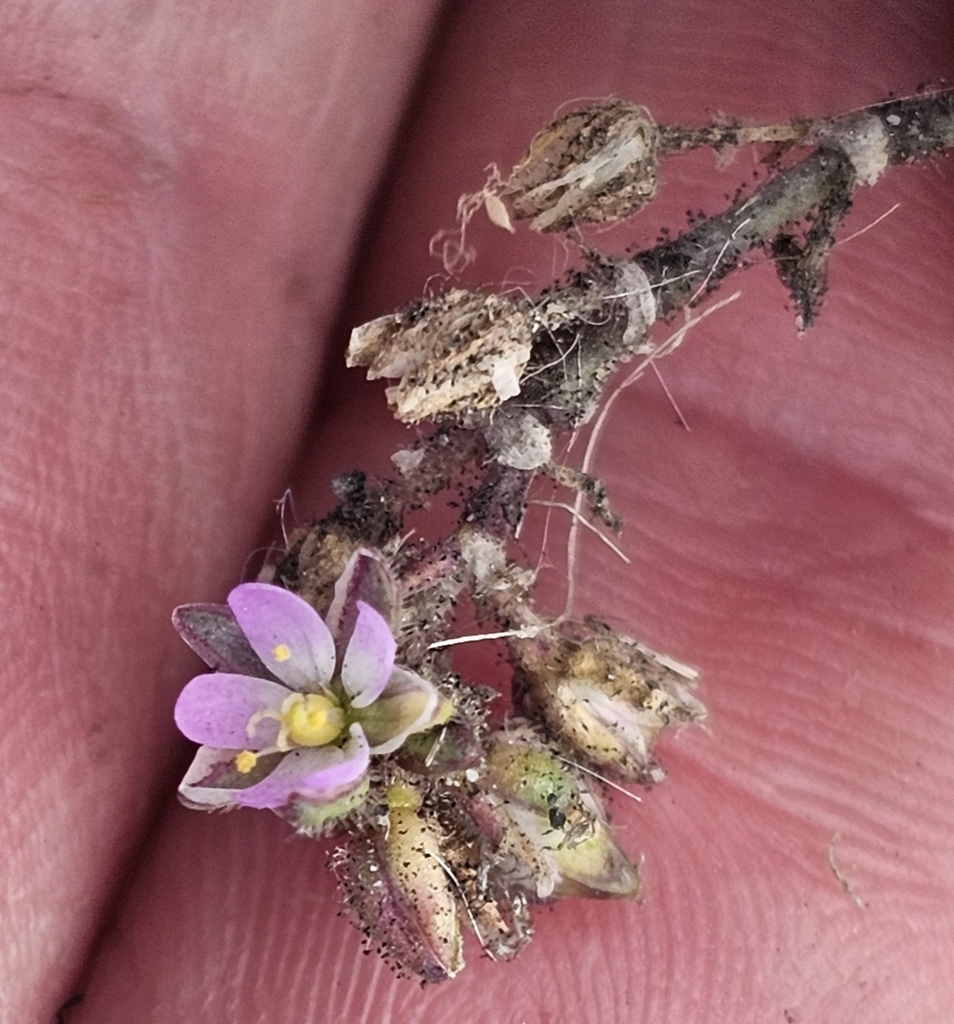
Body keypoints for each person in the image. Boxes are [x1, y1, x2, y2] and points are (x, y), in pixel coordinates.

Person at [4, 2, 953, 1021]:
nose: (307, 721)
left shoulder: (358, 670)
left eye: (310, 730)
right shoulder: (351, 693)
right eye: (316, 737)